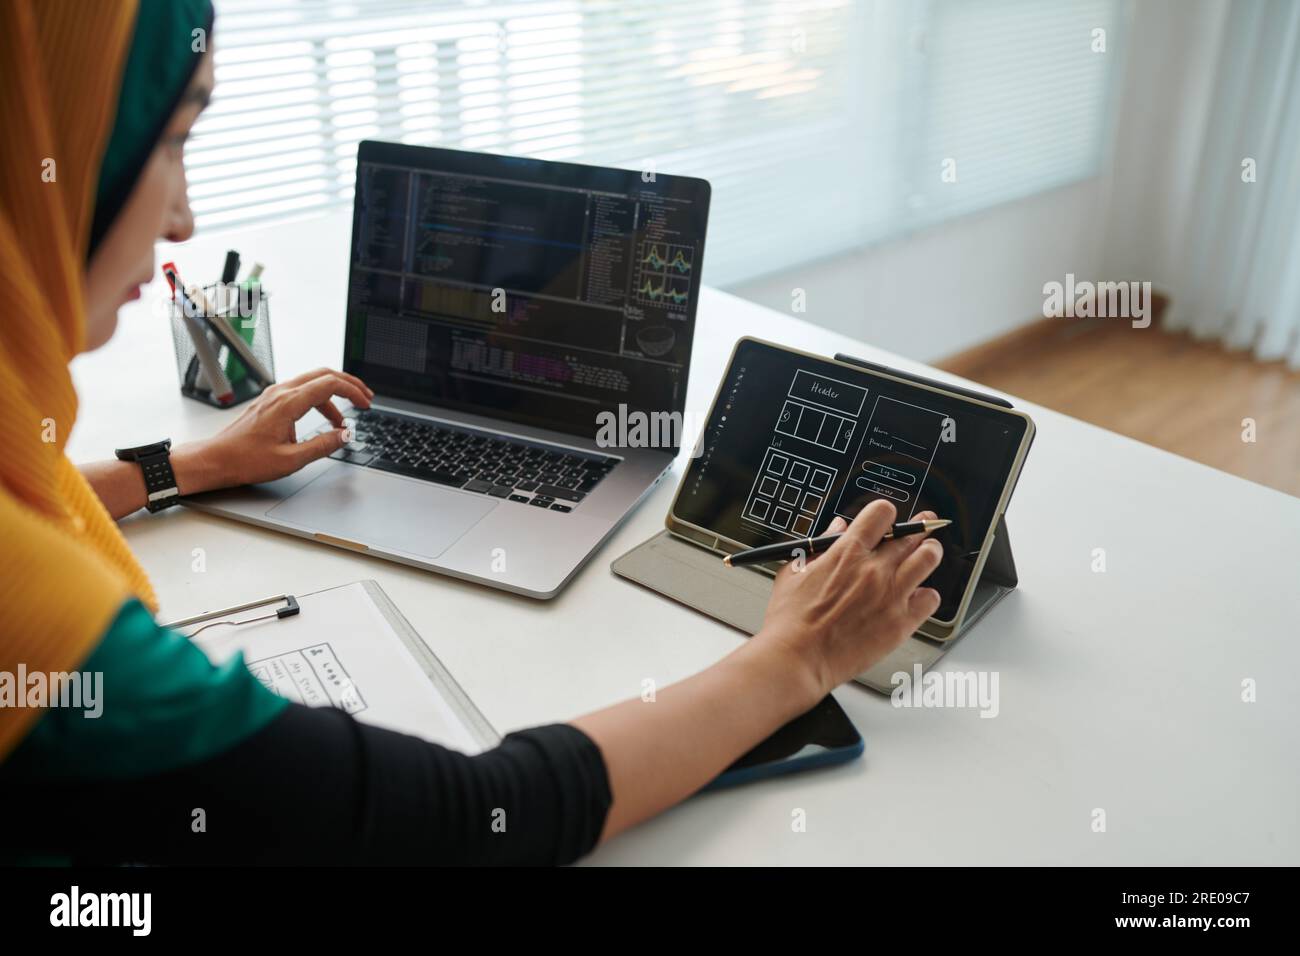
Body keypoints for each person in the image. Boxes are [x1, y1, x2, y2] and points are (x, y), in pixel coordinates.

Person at [0, 0, 944, 865]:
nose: (182, 217)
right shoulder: (42, 634)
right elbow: (472, 818)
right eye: (168, 140)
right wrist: (797, 656)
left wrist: (191, 465)